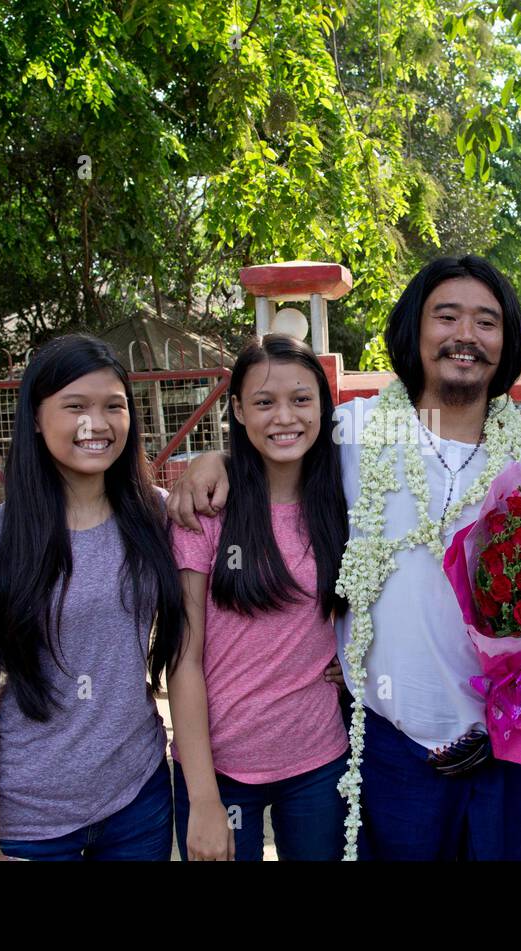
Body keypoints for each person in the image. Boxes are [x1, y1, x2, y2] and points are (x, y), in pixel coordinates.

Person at [170, 256, 521, 860]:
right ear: (415, 329)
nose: (465, 335)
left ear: (506, 340)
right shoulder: (354, 431)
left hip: (499, 740)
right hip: (385, 742)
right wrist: (214, 461)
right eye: (447, 316)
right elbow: (277, 441)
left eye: (486, 321)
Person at [0, 334, 184, 861]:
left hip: (138, 799)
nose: (95, 424)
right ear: (35, 418)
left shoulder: (158, 517)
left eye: (113, 407)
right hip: (32, 818)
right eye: (75, 406)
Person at [169, 335, 349, 861]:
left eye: (301, 399)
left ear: (322, 405)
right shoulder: (208, 509)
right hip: (220, 770)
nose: (284, 417)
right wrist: (201, 797)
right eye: (264, 402)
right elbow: (183, 658)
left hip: (319, 758)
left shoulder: (344, 496)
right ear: (239, 411)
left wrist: (353, 656)